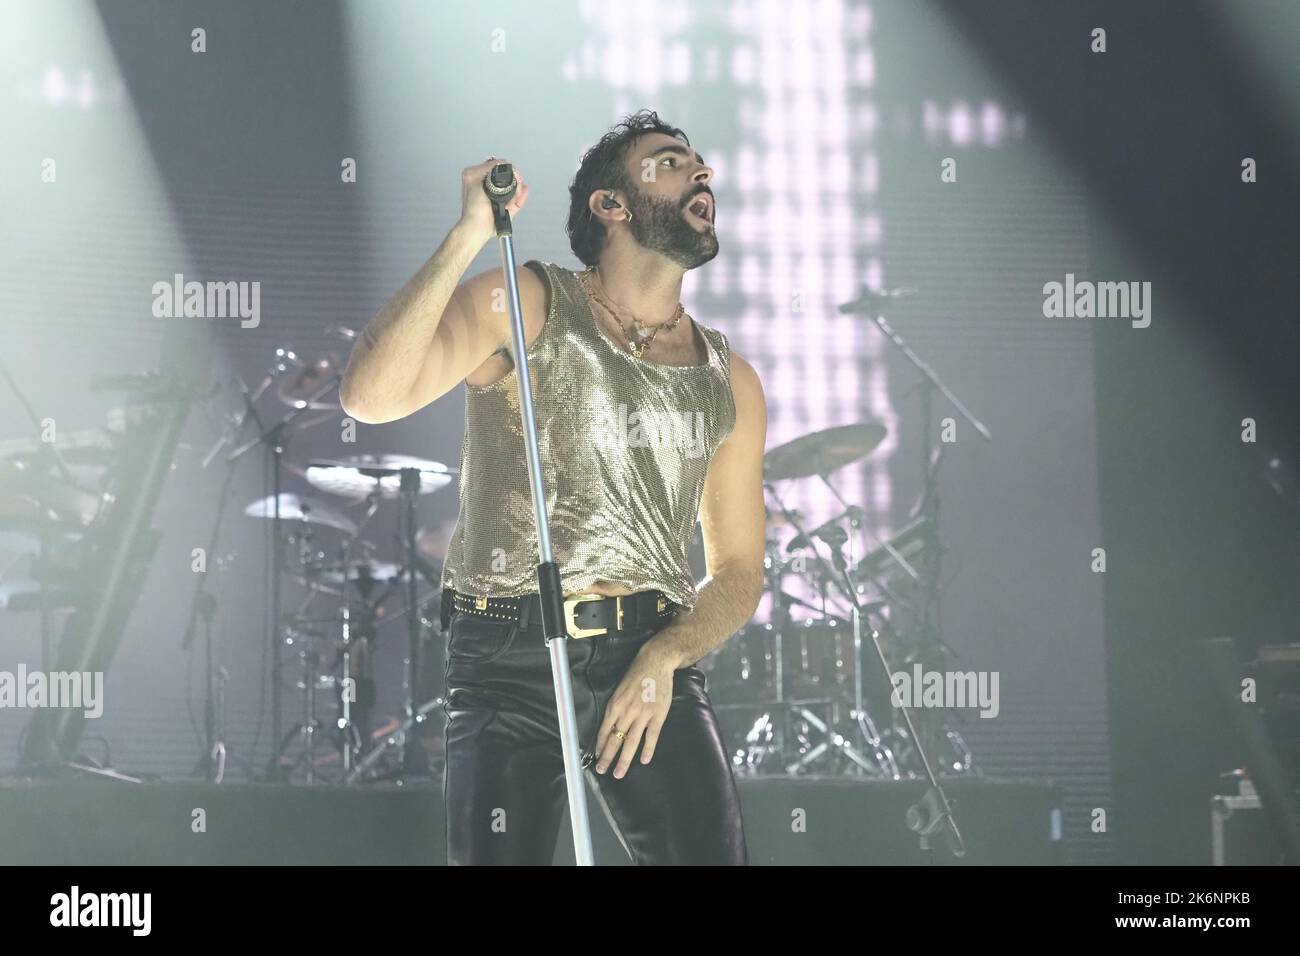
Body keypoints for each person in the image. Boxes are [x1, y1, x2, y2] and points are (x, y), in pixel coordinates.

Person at [340, 110, 767, 865]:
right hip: (507, 652)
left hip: (645, 649)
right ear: (611, 203)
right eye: (670, 161)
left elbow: (738, 573)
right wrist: (470, 233)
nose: (700, 172)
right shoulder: (529, 299)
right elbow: (369, 397)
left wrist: (666, 658)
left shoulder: (727, 377)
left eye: (700, 162)